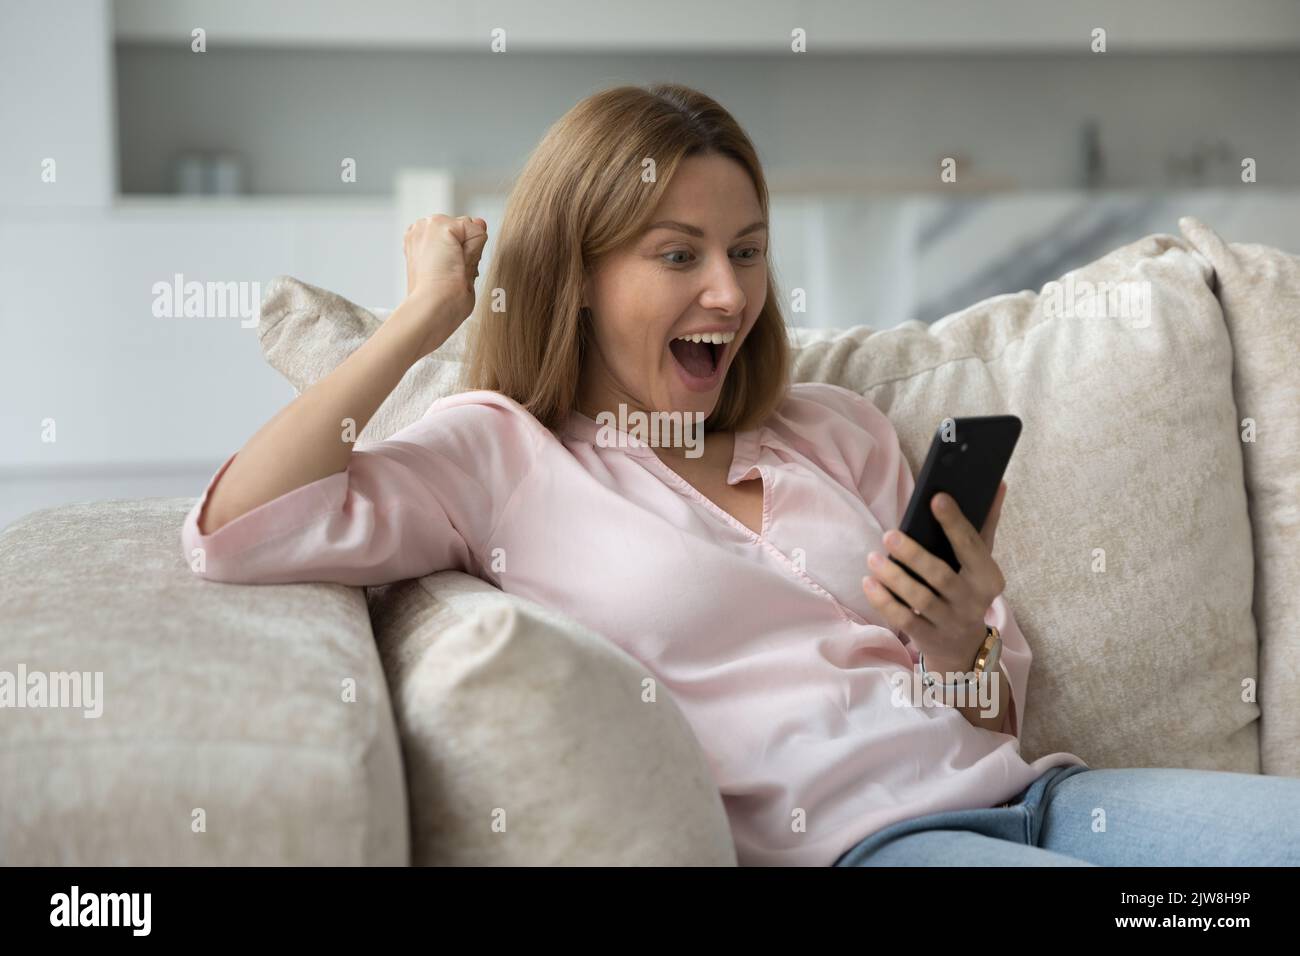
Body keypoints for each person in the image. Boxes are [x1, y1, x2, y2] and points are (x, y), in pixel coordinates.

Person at [181, 83, 1300, 867]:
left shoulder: (834, 429)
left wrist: (959, 640)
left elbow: (989, 720)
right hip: (870, 848)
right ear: (572, 276)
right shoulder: (497, 455)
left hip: (1049, 796)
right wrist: (429, 313)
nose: (728, 291)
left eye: (748, 249)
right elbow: (236, 530)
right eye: (678, 255)